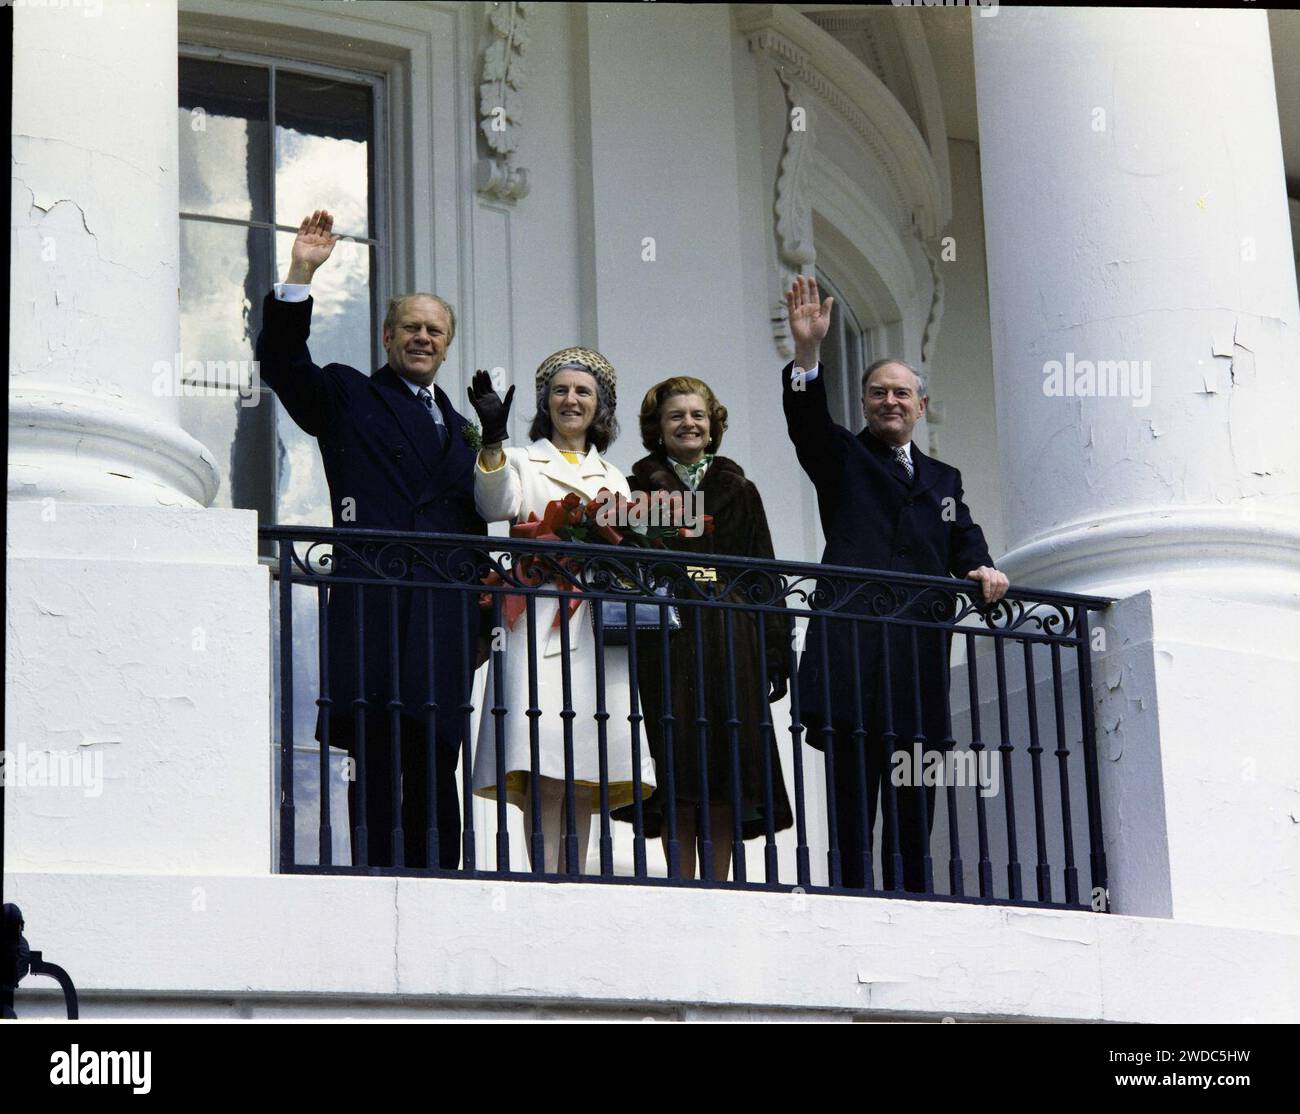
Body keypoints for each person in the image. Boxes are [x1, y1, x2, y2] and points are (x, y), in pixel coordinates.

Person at [255, 209, 487, 871]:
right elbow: (283, 363)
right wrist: (301, 272)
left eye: (433, 331)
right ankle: (376, 883)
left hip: (441, 618)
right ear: (387, 336)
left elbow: (477, 523)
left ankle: (440, 889)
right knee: (379, 759)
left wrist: (480, 618)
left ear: (446, 346)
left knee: (438, 757)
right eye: (410, 327)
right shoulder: (349, 394)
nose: (421, 337)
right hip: (378, 607)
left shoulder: (466, 428)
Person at [781, 275, 1009, 893]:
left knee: (914, 788)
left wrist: (983, 568)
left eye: (901, 393)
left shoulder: (943, 476)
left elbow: (962, 535)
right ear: (864, 403)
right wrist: (808, 355)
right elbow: (806, 422)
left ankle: (913, 900)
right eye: (878, 392)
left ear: (920, 406)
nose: (890, 402)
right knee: (853, 795)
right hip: (854, 651)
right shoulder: (842, 457)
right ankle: (852, 899)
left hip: (916, 657)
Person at [467, 348, 656, 874]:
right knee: (540, 753)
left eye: (583, 392)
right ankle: (544, 876)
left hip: (594, 625)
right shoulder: (524, 460)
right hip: (537, 619)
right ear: (545, 403)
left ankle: (573, 876)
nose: (571, 400)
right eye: (560, 391)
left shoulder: (614, 477)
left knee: (587, 760)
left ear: (601, 407)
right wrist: (492, 439)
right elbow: (495, 506)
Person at [611, 377, 794, 881]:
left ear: (713, 425)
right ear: (657, 428)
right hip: (666, 642)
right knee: (676, 763)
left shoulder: (739, 488)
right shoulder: (636, 489)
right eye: (676, 416)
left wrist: (776, 651)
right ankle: (680, 887)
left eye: (697, 415)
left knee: (726, 765)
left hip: (732, 641)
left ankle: (717, 888)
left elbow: (764, 571)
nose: (688, 424)